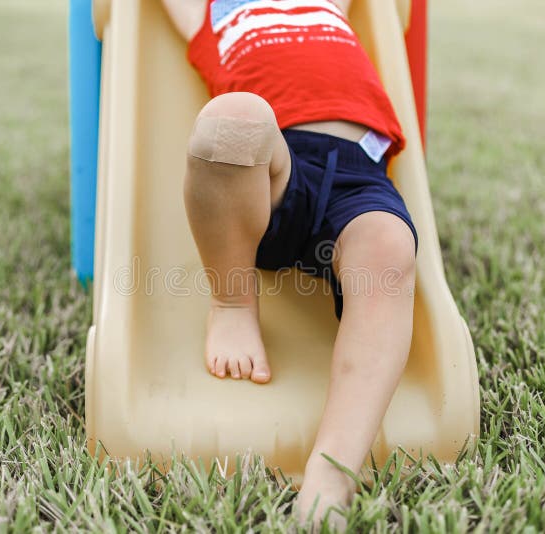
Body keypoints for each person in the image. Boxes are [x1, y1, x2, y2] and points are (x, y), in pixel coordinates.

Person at [162, 0, 419, 526]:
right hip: (274, 170)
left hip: (360, 177)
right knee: (232, 119)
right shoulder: (214, 11)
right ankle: (232, 302)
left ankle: (332, 472)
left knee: (389, 247)